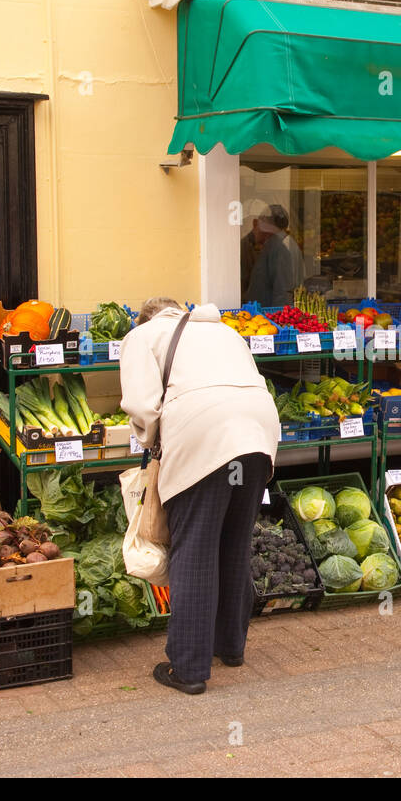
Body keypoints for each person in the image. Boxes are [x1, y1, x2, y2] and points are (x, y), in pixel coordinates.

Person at [119, 296, 281, 694]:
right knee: (234, 543)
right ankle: (230, 646)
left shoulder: (141, 335)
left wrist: (152, 442)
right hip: (259, 434)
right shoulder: (225, 332)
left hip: (204, 435)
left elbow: (142, 405)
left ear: (147, 319)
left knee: (193, 549)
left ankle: (189, 668)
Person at [244, 203, 304, 307]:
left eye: (258, 223)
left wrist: (278, 317)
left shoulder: (278, 246)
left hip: (268, 315)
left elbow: (283, 291)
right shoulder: (282, 243)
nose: (254, 228)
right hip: (262, 314)